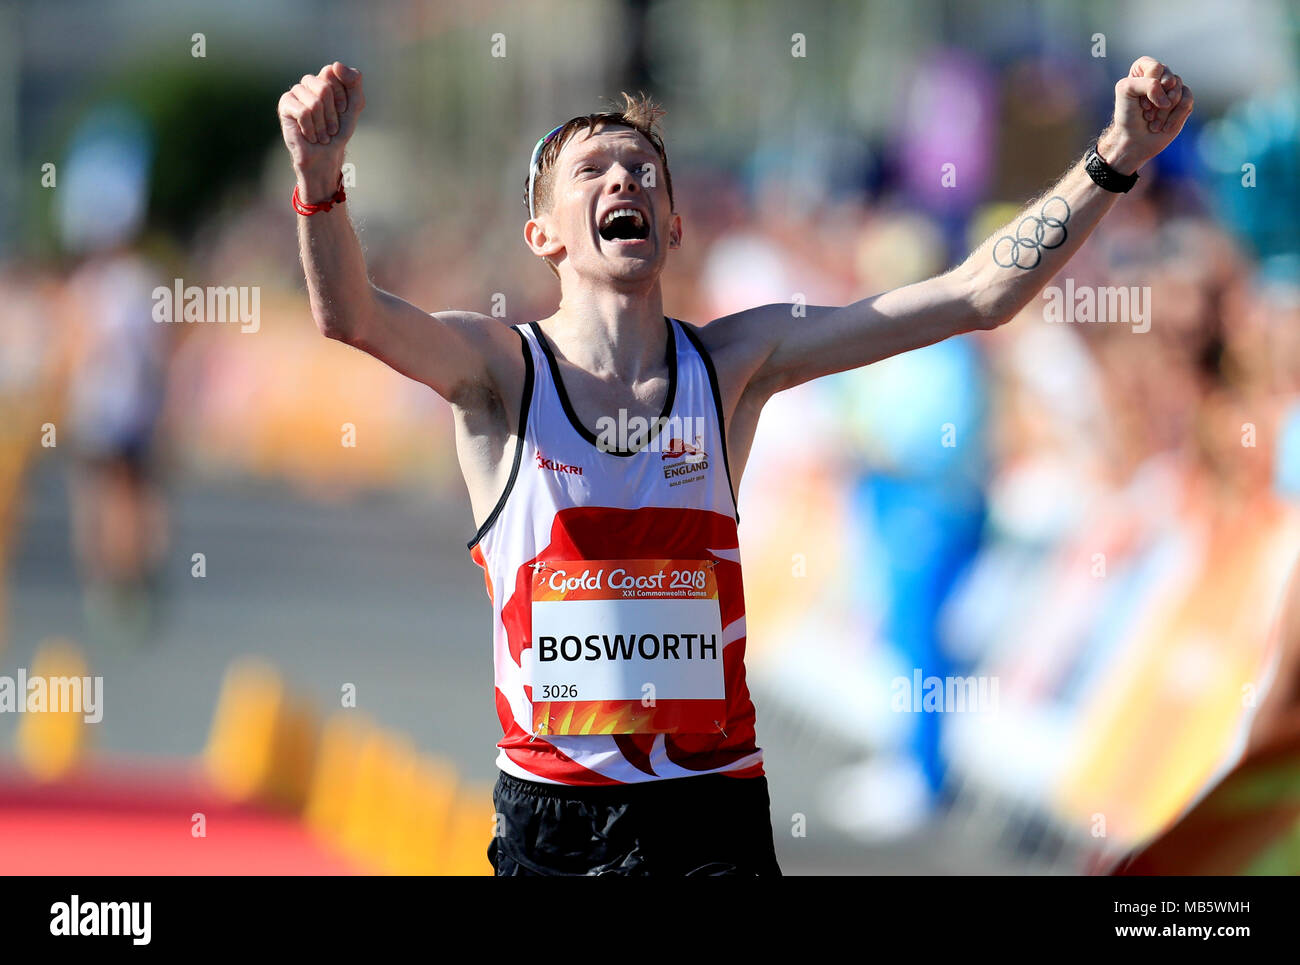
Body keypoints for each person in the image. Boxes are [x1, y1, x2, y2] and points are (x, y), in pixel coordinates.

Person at [277, 57, 1193, 876]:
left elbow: (975, 295)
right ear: (543, 234)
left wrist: (1115, 155)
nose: (622, 178)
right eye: (591, 171)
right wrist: (320, 179)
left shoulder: (729, 366)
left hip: (712, 813)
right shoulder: (500, 370)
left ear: (673, 226)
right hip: (556, 817)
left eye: (642, 170)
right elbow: (352, 317)